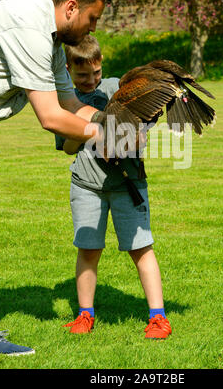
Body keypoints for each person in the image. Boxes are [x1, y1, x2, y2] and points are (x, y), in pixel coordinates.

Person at [0, 0, 111, 355]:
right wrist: (115, 136)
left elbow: (72, 104)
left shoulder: (52, 39)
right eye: (93, 18)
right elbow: (51, 118)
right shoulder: (29, 30)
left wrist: (119, 121)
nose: (93, 29)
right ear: (72, 7)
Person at [57, 35, 172, 339]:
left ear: (101, 65)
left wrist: (132, 135)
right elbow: (68, 147)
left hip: (127, 184)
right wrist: (91, 129)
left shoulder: (116, 88)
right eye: (82, 75)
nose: (90, 80)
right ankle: (85, 315)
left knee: (141, 248)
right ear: (68, 69)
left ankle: (158, 317)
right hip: (87, 186)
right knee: (88, 249)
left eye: (95, 73)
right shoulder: (65, 100)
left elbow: (142, 132)